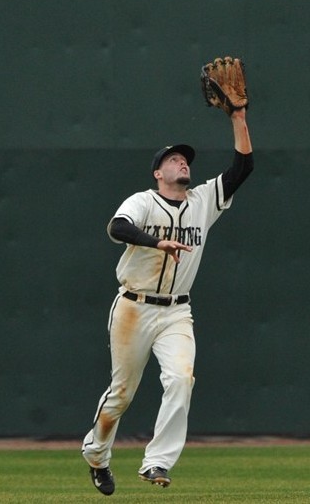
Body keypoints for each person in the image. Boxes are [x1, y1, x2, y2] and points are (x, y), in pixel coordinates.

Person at [82, 107, 254, 495]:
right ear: (158, 173)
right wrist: (157, 241)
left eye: (184, 159)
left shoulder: (203, 200)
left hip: (177, 310)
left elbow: (243, 167)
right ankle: (96, 455)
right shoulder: (143, 201)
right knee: (121, 394)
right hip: (133, 306)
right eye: (173, 159)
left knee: (181, 378)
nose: (181, 162)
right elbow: (118, 227)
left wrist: (238, 117)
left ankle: (157, 460)